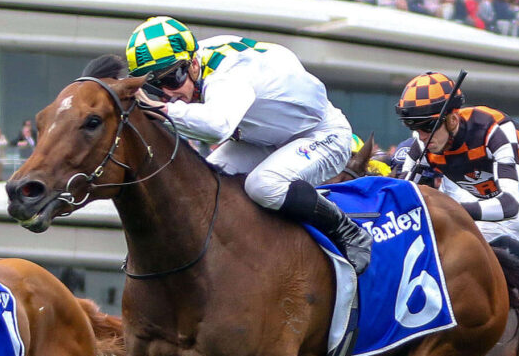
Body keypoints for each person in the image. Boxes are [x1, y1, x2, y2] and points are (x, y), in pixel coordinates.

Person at [125, 16, 372, 272]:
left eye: (172, 79)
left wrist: (162, 109)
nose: (167, 93)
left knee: (263, 185)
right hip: (264, 137)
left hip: (321, 133)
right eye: (155, 87)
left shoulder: (228, 74)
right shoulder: (200, 58)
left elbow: (216, 126)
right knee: (202, 184)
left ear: (194, 64)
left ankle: (348, 232)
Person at [388, 72, 519, 273]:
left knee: (472, 233)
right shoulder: (423, 145)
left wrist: (452, 210)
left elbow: (508, 206)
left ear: (452, 119)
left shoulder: (495, 131)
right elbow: (400, 198)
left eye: (427, 126)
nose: (422, 136)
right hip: (480, 201)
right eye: (413, 127)